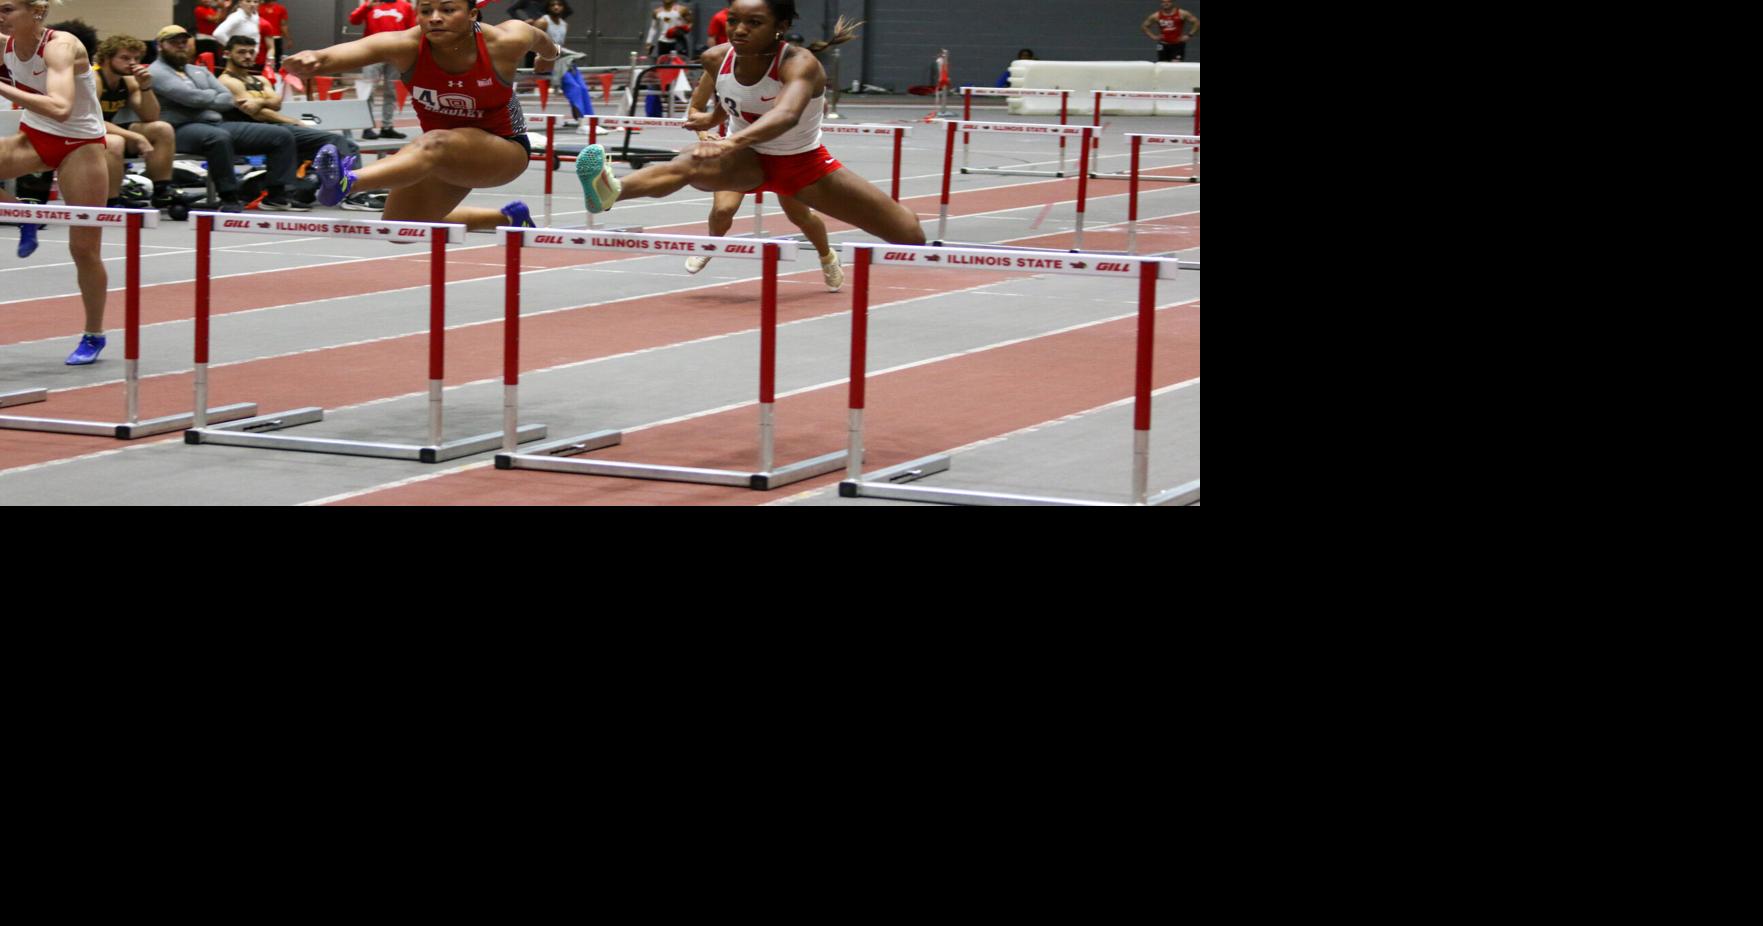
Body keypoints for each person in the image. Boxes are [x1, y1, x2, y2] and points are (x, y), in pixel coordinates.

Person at [576, 0, 924, 250]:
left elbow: (786, 115)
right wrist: (711, 121)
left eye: (754, 23)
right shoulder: (716, 58)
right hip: (749, 160)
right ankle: (611, 191)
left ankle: (877, 232)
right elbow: (729, 102)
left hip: (804, 165)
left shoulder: (800, 64)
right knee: (690, 162)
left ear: (780, 28)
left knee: (909, 235)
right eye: (733, 20)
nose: (739, 29)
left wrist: (730, 142)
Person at [286, 0, 556, 232]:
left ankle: (349, 181)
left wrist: (548, 58)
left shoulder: (505, 40)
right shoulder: (406, 45)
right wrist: (315, 57)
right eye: (425, 11)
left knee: (436, 141)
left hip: (503, 151)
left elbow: (542, 39)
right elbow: (352, 51)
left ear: (473, 14)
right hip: (440, 155)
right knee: (400, 227)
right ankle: (507, 219)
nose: (435, 18)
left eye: (448, 9)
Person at [0, 0, 118, 364]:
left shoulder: (61, 46)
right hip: (33, 138)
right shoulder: (4, 42)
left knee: (84, 249)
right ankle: (24, 213)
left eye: (6, 8)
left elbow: (60, 107)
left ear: (36, 11)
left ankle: (93, 334)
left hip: (80, 147)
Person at [150, 23, 305, 212]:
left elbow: (227, 99)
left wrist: (204, 98)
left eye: (184, 41)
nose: (181, 45)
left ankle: (277, 196)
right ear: (160, 46)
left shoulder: (197, 70)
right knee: (217, 138)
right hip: (179, 129)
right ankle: (229, 197)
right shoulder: (155, 72)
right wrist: (209, 97)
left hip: (215, 124)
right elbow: (191, 97)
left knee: (280, 135)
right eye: (174, 42)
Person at [217, 34, 358, 169]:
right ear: (227, 54)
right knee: (336, 142)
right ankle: (353, 188)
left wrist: (258, 102)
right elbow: (257, 114)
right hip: (256, 132)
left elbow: (277, 103)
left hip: (277, 128)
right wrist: (293, 121)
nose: (247, 56)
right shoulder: (227, 81)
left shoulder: (260, 79)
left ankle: (330, 187)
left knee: (348, 146)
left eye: (251, 52)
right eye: (241, 52)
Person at [91, 33, 182, 213]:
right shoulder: (94, 79)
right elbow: (91, 121)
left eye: (136, 58)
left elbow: (151, 116)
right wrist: (135, 136)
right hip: (81, 133)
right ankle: (112, 200)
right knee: (115, 142)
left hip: (106, 130)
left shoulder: (128, 81)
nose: (132, 63)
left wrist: (145, 86)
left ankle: (162, 191)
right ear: (107, 58)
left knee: (162, 129)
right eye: (125, 58)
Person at [348, 0, 415, 139]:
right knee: (368, 91)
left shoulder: (405, 6)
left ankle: (387, 126)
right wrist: (366, 7)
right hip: (371, 53)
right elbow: (354, 20)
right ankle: (367, 127)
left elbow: (412, 30)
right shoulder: (370, 3)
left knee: (392, 91)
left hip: (396, 54)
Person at [530, 1, 580, 126]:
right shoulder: (543, 22)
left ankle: (587, 119)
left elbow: (561, 45)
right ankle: (581, 121)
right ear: (548, 7)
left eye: (559, 5)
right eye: (553, 5)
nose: (556, 7)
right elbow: (532, 42)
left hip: (561, 58)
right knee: (575, 88)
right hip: (547, 60)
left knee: (582, 87)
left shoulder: (565, 24)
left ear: (564, 7)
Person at [256, 0, 289, 68]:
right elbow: (283, 25)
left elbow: (283, 25)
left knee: (273, 61)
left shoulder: (281, 8)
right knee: (274, 61)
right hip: (264, 38)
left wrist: (288, 39)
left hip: (269, 38)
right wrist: (288, 39)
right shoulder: (257, 7)